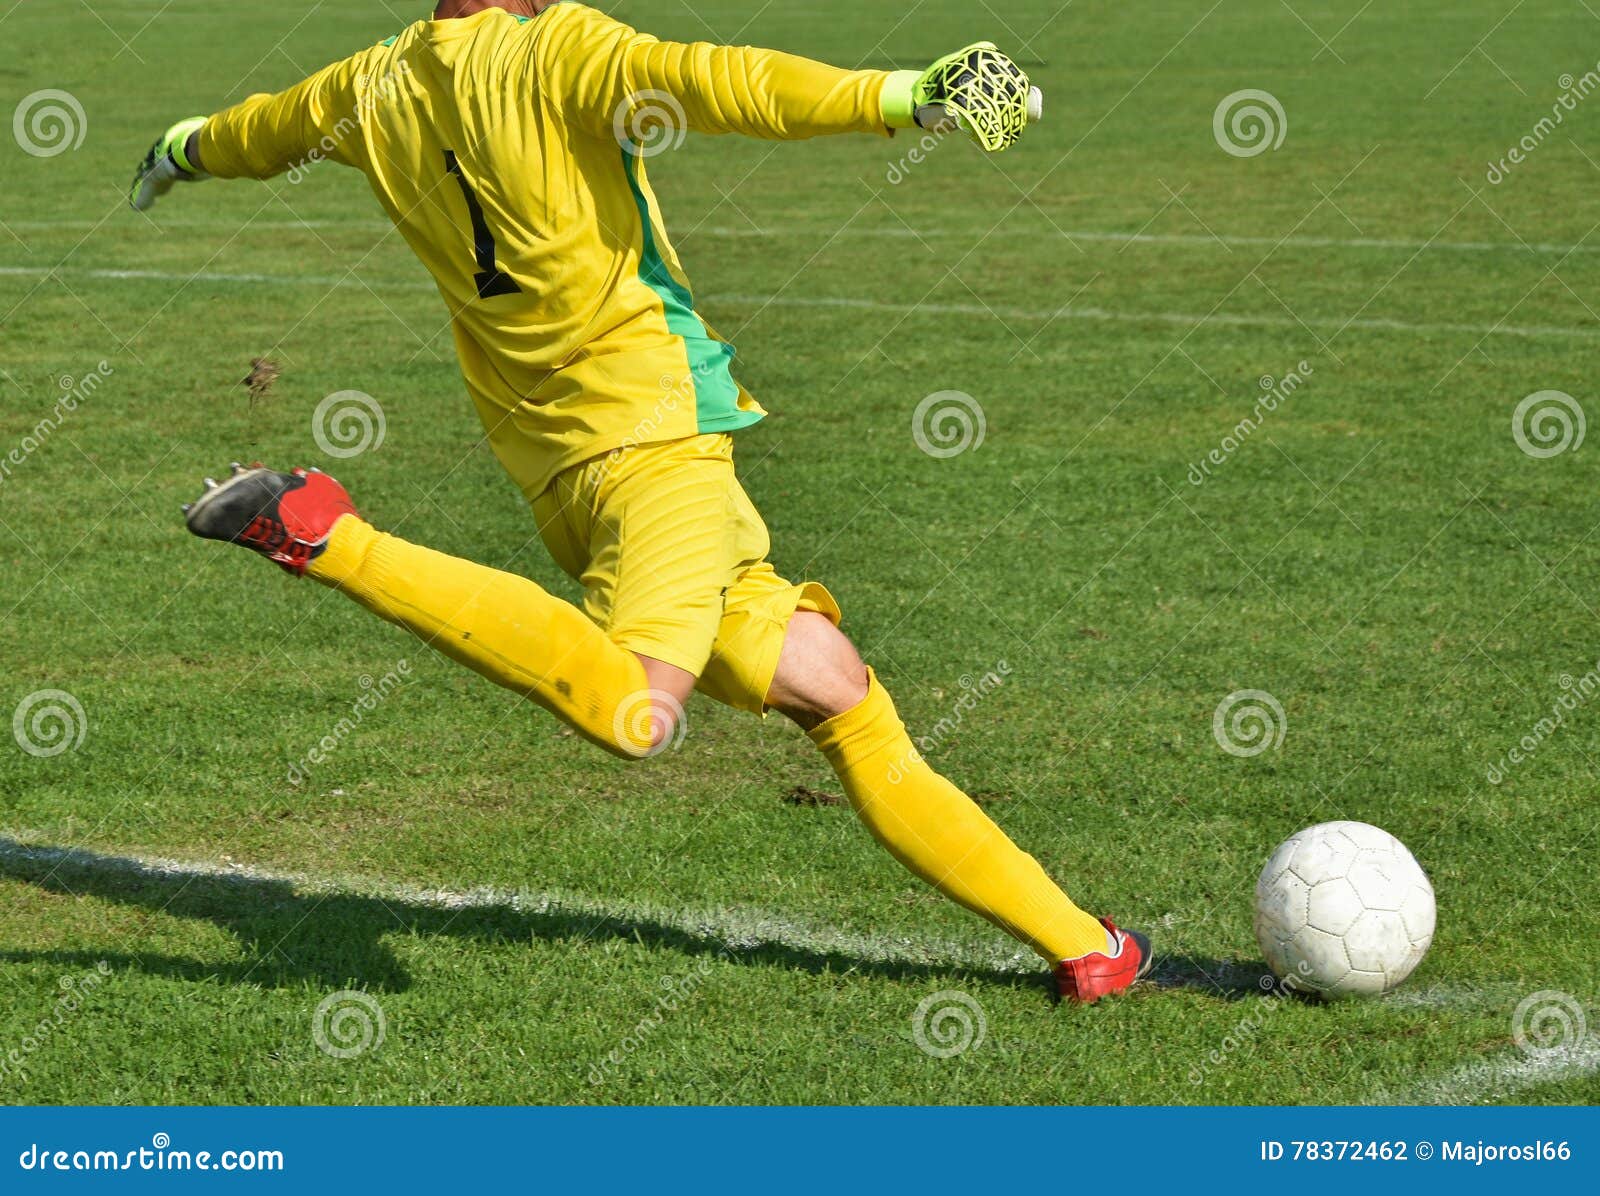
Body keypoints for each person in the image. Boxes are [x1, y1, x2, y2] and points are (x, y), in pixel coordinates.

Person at [132, 0, 1149, 1001]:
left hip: (560, 478)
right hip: (653, 448)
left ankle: (1087, 945)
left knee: (835, 688)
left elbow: (253, 133)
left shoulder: (366, 86)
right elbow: (725, 80)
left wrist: (177, 150)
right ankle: (322, 531)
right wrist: (907, 94)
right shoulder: (557, 48)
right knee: (636, 715)